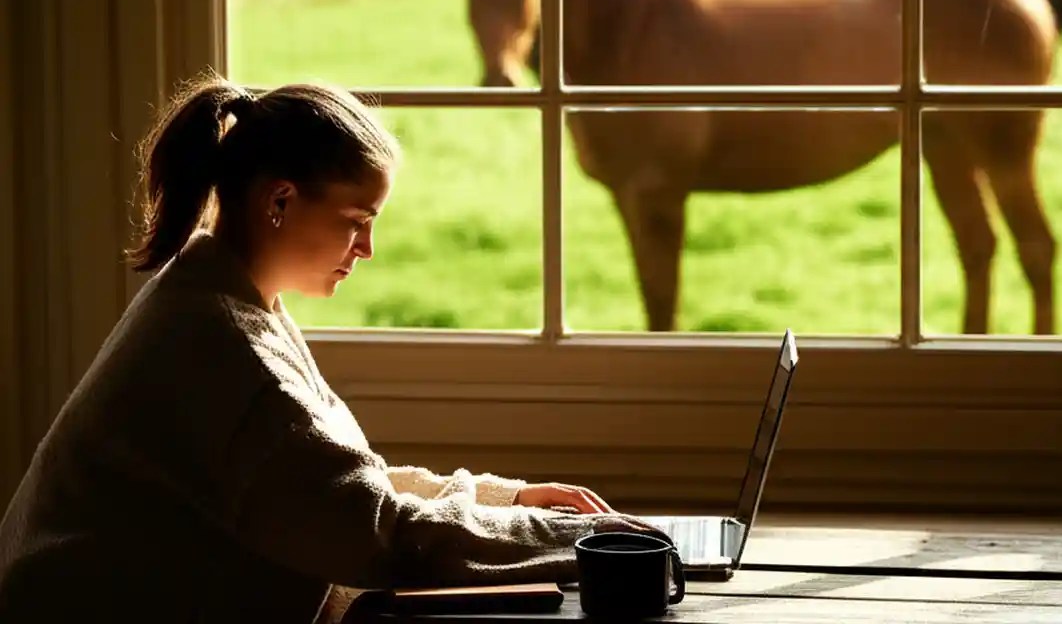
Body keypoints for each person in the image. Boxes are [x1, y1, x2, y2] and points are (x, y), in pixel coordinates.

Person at [0, 75, 661, 622]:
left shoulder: (222, 293)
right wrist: (593, 541)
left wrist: (504, 500)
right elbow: (377, 535)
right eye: (356, 222)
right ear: (280, 201)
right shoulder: (225, 346)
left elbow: (326, 489)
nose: (367, 250)